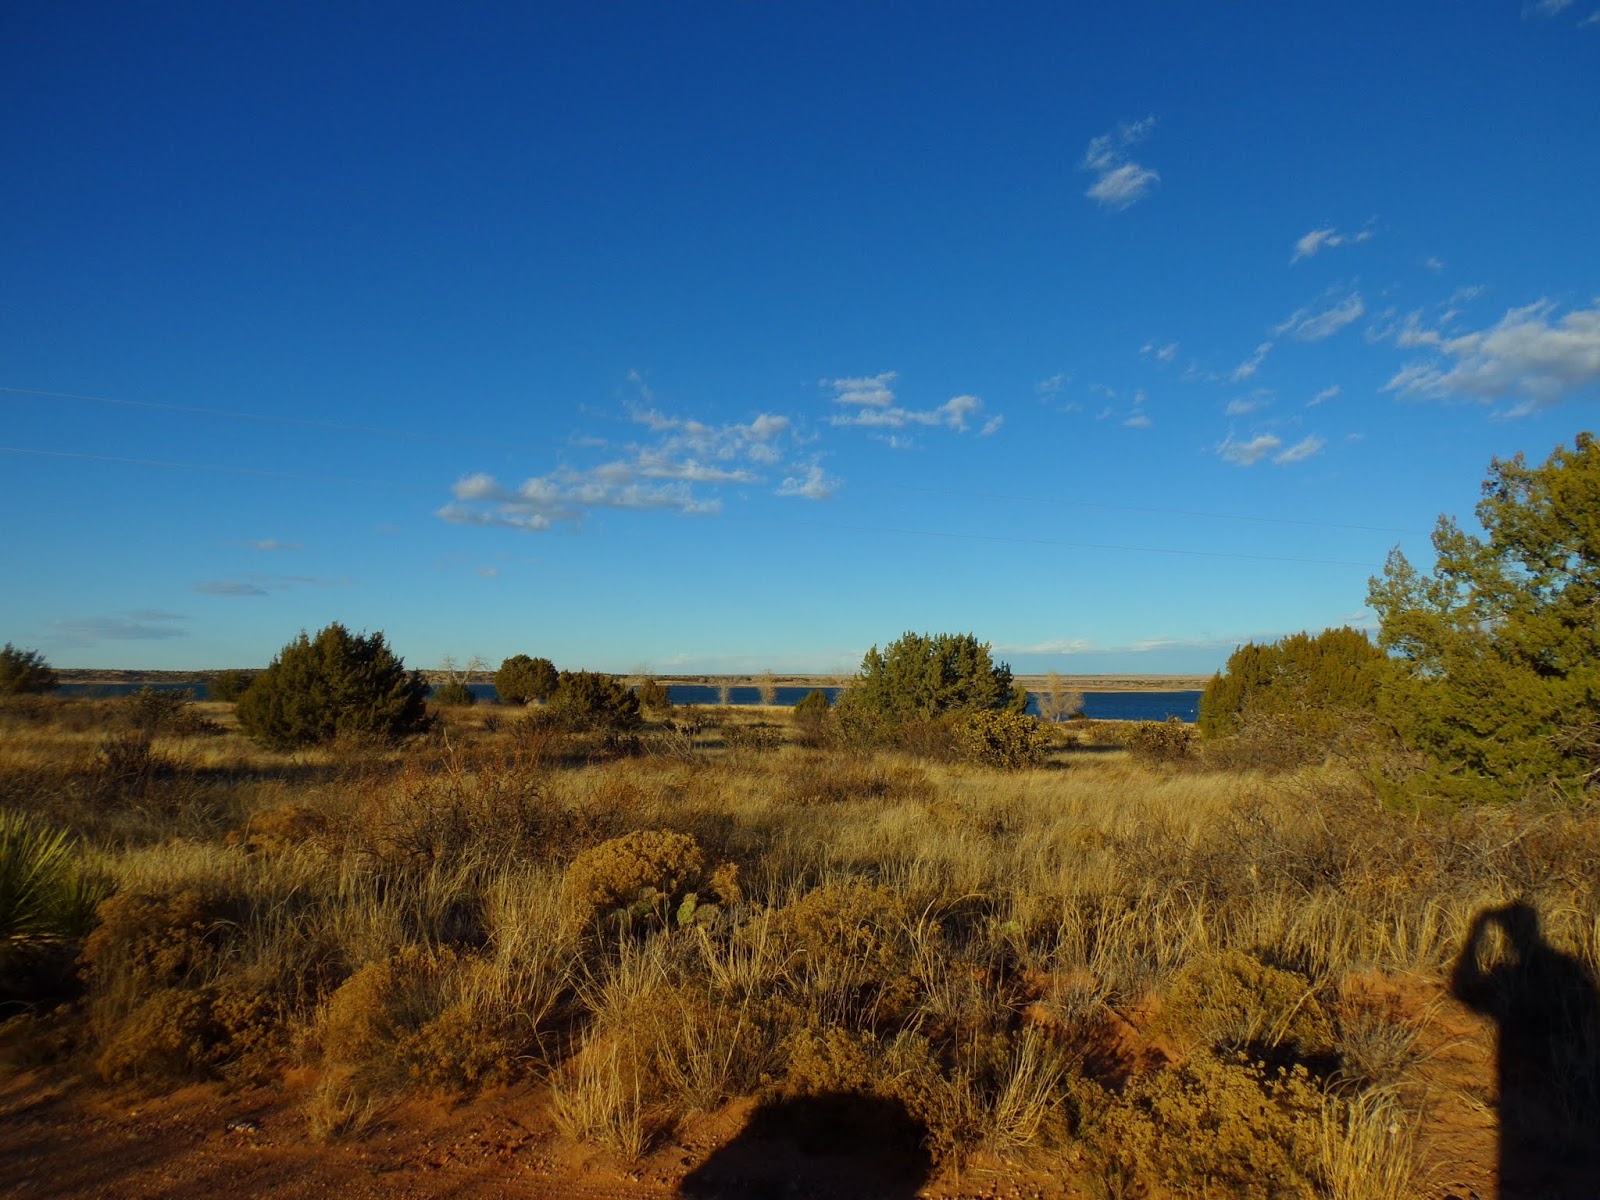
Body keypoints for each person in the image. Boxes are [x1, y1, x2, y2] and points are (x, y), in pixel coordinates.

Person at [1451, 900, 1600, 1197]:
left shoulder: (1513, 973)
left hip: (1529, 1098)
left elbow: (1461, 990)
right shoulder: (1568, 968)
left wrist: (1477, 929)